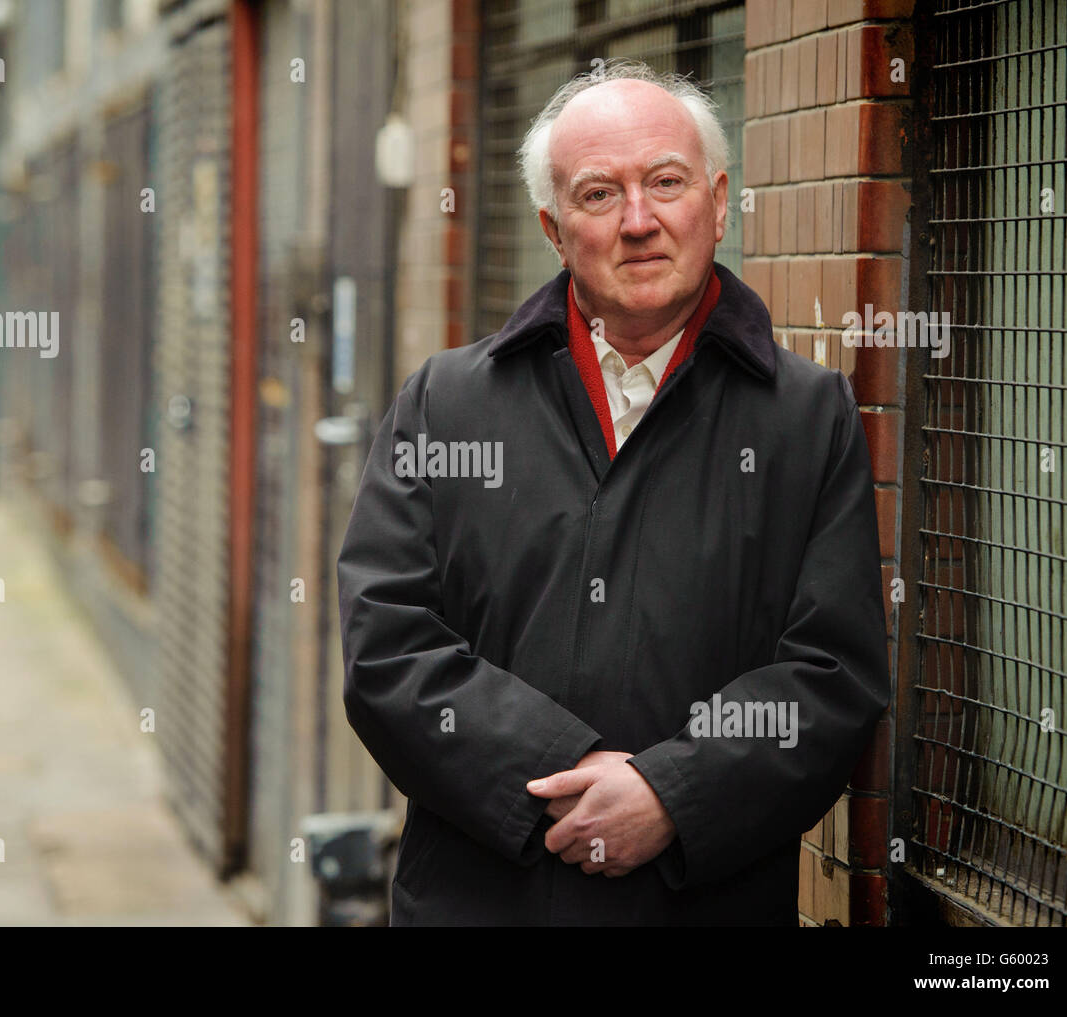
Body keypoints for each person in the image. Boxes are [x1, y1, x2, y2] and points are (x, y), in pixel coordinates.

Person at [336, 60, 890, 926]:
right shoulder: (447, 403)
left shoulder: (804, 418)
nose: (639, 221)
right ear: (555, 231)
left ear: (715, 200)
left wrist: (670, 793)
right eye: (599, 195)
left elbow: (831, 676)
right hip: (477, 903)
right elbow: (387, 647)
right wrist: (568, 783)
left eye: (665, 183)